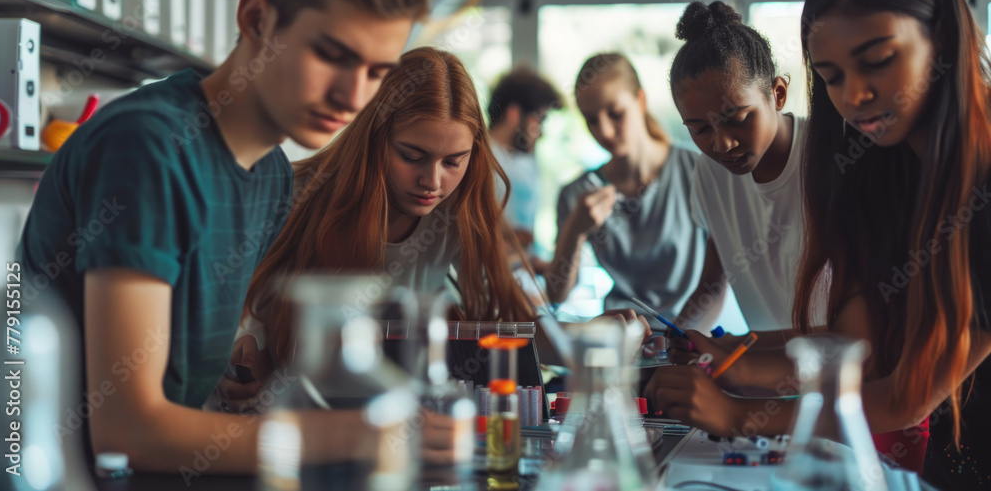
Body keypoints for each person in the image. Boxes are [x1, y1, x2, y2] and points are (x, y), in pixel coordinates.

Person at [15, 0, 427, 473]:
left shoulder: (272, 174)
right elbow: (128, 428)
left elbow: (181, 366)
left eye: (376, 73)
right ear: (256, 17)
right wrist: (358, 435)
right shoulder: (148, 147)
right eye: (331, 54)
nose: (352, 97)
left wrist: (243, 370)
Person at [647, 0, 991, 486]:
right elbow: (859, 340)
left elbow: (903, 395)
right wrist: (744, 351)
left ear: (943, 37)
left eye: (877, 60)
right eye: (830, 76)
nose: (854, 96)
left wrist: (737, 413)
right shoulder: (885, 170)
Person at [218, 47, 540, 398]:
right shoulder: (294, 193)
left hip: (396, 410)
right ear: (373, 139)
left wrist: (581, 337)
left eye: (453, 162)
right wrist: (240, 355)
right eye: (411, 157)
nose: (432, 182)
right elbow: (239, 316)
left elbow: (507, 321)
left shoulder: (459, 208)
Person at [670, 0, 809, 338]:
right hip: (763, 377)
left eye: (738, 120)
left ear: (777, 94)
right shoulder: (710, 173)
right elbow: (714, 285)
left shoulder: (824, 158)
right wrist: (674, 339)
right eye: (699, 129)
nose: (722, 145)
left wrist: (743, 356)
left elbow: (852, 327)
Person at [545, 53, 716, 329]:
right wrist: (575, 232)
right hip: (622, 341)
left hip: (691, 337)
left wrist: (681, 343)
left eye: (616, 114)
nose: (605, 132)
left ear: (641, 100)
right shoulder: (578, 194)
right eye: (591, 120)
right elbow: (555, 294)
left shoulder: (698, 172)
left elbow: (718, 283)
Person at [487, 67, 563, 274]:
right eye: (541, 119)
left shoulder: (523, 163)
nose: (541, 131)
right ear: (514, 113)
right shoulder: (480, 160)